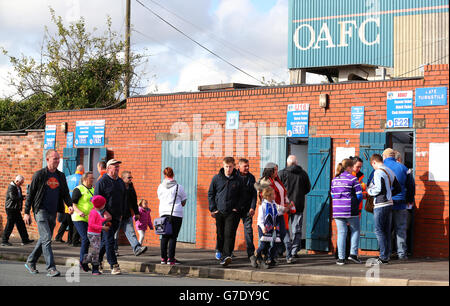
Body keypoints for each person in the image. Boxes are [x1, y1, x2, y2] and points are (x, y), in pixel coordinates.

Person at [23, 149, 73, 277]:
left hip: (53, 211)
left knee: (44, 239)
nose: (57, 161)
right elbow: (31, 195)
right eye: (55, 158)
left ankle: (31, 261)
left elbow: (65, 193)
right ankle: (51, 268)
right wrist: (26, 212)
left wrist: (70, 205)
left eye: (58, 159)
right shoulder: (39, 174)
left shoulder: (60, 176)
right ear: (47, 159)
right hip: (40, 210)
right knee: (46, 239)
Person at [208, 157, 243, 267]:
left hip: (232, 212)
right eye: (226, 166)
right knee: (220, 233)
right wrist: (213, 208)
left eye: (230, 167)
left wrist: (237, 207)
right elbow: (211, 194)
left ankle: (226, 256)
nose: (228, 169)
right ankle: (220, 250)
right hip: (220, 211)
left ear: (234, 166)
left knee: (229, 234)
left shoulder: (238, 179)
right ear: (223, 166)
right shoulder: (216, 178)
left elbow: (242, 196)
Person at [94, 159, 126, 275]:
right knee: (110, 240)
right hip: (105, 217)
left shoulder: (120, 182)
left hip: (117, 216)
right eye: (114, 166)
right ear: (108, 168)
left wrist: (122, 213)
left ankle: (96, 261)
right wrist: (104, 212)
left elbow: (123, 198)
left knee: (105, 241)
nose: (117, 168)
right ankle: (114, 265)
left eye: (118, 166)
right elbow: (96, 200)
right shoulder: (102, 182)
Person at [258, 163, 293, 265]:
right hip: (272, 212)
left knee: (281, 235)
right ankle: (265, 256)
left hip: (280, 211)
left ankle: (272, 255)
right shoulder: (266, 181)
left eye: (277, 170)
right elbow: (265, 197)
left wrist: (287, 205)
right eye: (275, 170)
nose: (277, 172)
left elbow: (283, 194)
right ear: (270, 171)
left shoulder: (277, 180)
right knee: (269, 237)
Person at [331, 158, 363, 265]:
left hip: (337, 210)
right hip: (350, 209)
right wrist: (356, 204)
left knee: (341, 233)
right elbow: (359, 195)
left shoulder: (334, 180)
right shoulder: (353, 179)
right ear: (349, 167)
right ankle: (353, 254)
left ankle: (341, 258)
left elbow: (332, 195)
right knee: (355, 230)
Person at [367, 154, 398, 265]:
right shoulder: (390, 171)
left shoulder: (378, 172)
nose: (373, 167)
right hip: (389, 203)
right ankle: (386, 255)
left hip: (380, 204)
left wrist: (369, 192)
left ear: (374, 162)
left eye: (372, 165)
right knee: (386, 231)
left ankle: (383, 257)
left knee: (379, 231)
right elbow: (397, 188)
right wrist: (389, 194)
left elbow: (379, 189)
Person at [278, 155, 311, 258]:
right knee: (296, 230)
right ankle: (294, 251)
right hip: (298, 205)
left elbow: (278, 189)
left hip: (284, 206)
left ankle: (284, 248)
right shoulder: (303, 174)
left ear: (288, 163)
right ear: (296, 163)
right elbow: (308, 189)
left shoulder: (282, 173)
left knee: (284, 228)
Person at [383, 148, 409, 260]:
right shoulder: (403, 168)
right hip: (401, 203)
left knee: (386, 229)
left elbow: (371, 183)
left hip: (385, 203)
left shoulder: (381, 167)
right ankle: (402, 254)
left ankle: (386, 254)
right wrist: (409, 198)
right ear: (394, 156)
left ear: (384, 156)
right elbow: (410, 185)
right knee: (401, 229)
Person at [113, 171, 147, 257]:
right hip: (117, 215)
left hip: (127, 215)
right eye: (129, 177)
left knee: (131, 232)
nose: (131, 179)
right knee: (115, 234)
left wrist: (136, 213)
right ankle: (114, 250)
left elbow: (134, 200)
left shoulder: (131, 187)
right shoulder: (118, 186)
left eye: (131, 177)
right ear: (123, 178)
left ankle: (137, 249)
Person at [158, 167, 187, 265]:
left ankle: (163, 258)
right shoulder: (179, 187)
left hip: (163, 213)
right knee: (173, 236)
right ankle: (171, 259)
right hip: (176, 213)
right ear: (173, 174)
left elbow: (160, 198)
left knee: (164, 236)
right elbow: (183, 202)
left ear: (164, 175)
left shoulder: (160, 187)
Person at [71, 171, 95, 272]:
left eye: (93, 178)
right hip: (79, 218)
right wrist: (79, 212)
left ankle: (86, 261)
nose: (93, 180)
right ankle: (83, 262)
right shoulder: (79, 189)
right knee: (85, 238)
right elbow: (73, 204)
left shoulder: (93, 189)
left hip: (90, 218)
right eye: (91, 178)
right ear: (85, 179)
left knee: (92, 240)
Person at [55, 164, 84, 245]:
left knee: (67, 222)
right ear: (82, 171)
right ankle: (72, 240)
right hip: (76, 204)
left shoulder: (68, 177)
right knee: (74, 223)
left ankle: (67, 239)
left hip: (67, 204)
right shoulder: (81, 179)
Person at [236, 158, 257, 264]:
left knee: (248, 232)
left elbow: (254, 194)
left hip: (247, 210)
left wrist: (253, 207)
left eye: (248, 166)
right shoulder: (234, 177)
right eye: (245, 166)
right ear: (238, 166)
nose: (247, 168)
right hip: (235, 210)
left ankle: (251, 254)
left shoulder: (251, 177)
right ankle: (227, 253)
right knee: (230, 232)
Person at [254, 186, 282, 269]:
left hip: (270, 227)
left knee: (267, 245)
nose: (275, 196)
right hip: (263, 227)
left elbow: (279, 210)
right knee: (263, 245)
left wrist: (287, 208)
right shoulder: (263, 205)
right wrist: (263, 227)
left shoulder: (273, 204)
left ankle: (265, 260)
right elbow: (260, 219)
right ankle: (257, 254)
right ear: (268, 196)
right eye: (273, 194)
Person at [2, 175, 34, 246]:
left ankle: (25, 239)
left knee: (21, 224)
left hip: (16, 209)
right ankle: (4, 241)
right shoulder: (11, 187)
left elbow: (18, 196)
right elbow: (13, 197)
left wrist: (24, 196)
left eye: (22, 183)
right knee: (10, 225)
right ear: (16, 181)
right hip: (10, 209)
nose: (21, 184)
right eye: (20, 183)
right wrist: (22, 198)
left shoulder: (18, 187)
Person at [85, 195, 112, 275]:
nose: (105, 205)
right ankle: (93, 268)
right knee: (96, 251)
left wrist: (105, 219)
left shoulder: (96, 212)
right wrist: (103, 227)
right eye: (104, 204)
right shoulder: (93, 212)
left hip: (96, 233)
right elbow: (91, 225)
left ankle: (87, 262)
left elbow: (98, 220)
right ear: (101, 205)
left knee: (96, 251)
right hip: (92, 234)